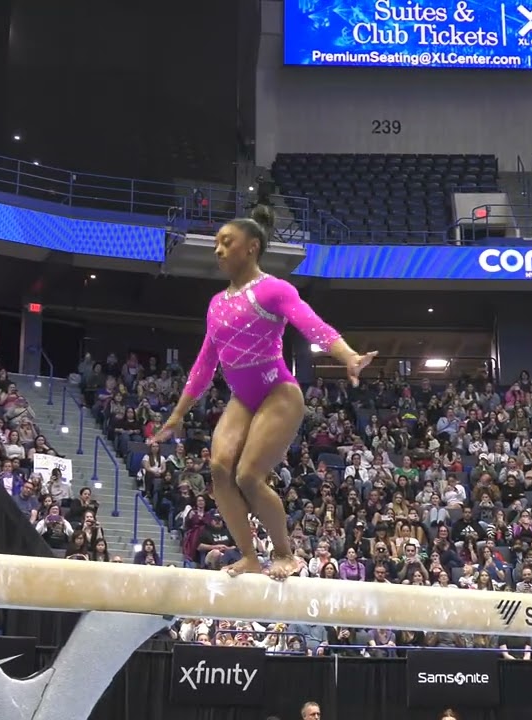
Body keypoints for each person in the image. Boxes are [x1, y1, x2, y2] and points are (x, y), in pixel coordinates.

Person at [156, 207, 375, 580]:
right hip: (244, 397)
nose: (218, 251)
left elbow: (311, 324)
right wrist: (177, 415)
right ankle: (249, 556)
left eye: (227, 242)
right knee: (219, 469)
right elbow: (204, 366)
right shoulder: (217, 304)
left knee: (248, 476)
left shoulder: (273, 289)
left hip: (279, 392)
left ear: (252, 247)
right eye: (216, 245)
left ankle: (285, 554)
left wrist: (349, 356)